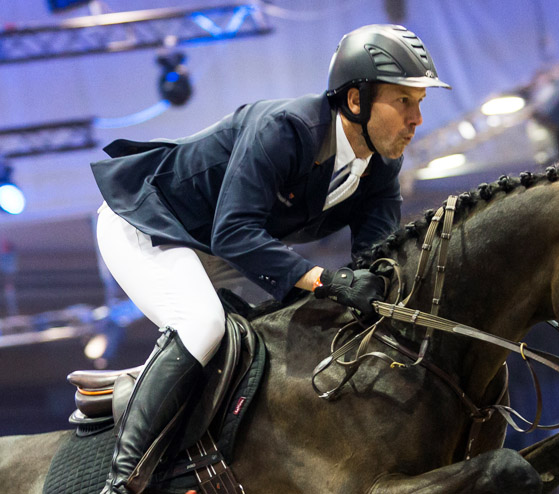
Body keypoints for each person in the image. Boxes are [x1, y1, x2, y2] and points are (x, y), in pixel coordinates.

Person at [90, 24, 450, 494]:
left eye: (420, 103)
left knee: (273, 339)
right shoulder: (286, 129)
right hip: (144, 222)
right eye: (404, 101)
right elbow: (236, 231)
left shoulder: (381, 168)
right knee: (202, 326)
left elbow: (377, 262)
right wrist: (328, 280)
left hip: (213, 249)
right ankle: (121, 482)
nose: (417, 119)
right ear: (356, 101)